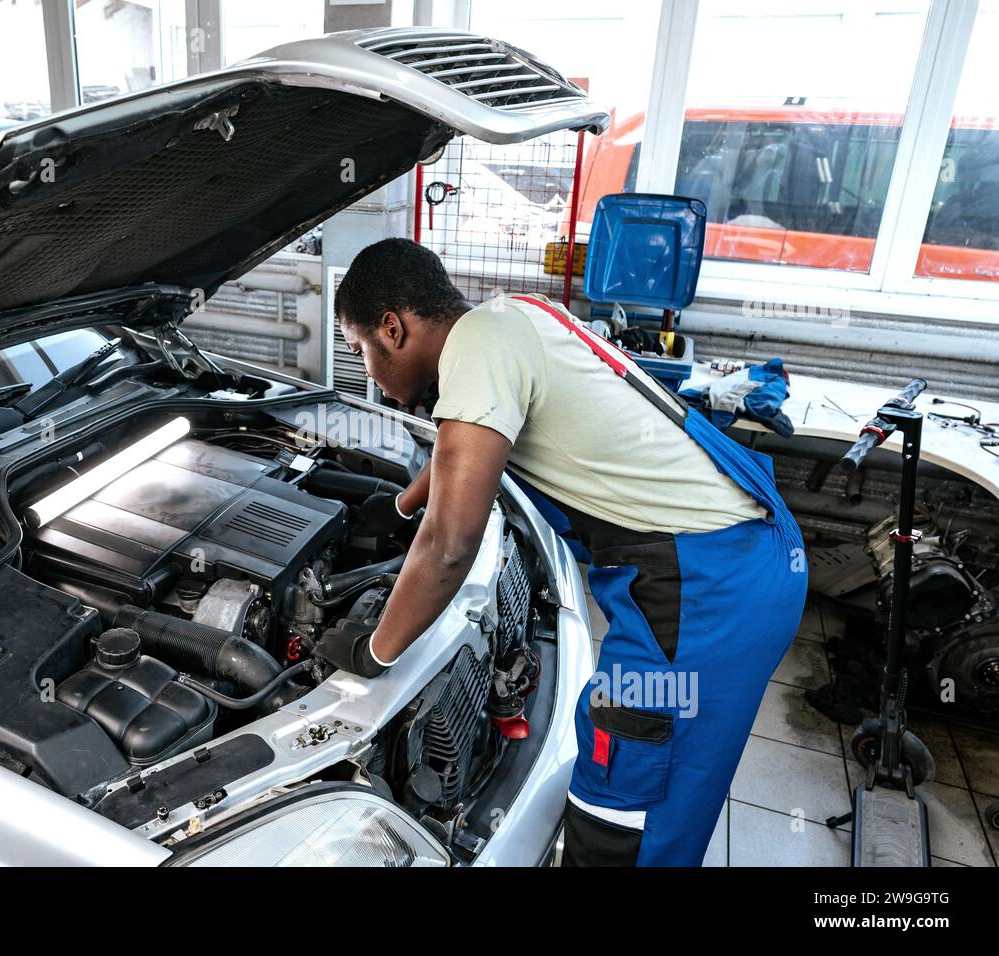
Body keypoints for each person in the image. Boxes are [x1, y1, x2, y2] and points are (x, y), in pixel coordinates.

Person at [313, 237, 807, 866]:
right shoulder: (508, 318)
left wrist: (373, 649)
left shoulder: (478, 348)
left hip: (704, 591)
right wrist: (399, 509)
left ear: (393, 328)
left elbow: (451, 544)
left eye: (360, 351)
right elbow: (460, 447)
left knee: (627, 806)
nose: (369, 375)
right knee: (671, 781)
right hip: (735, 561)